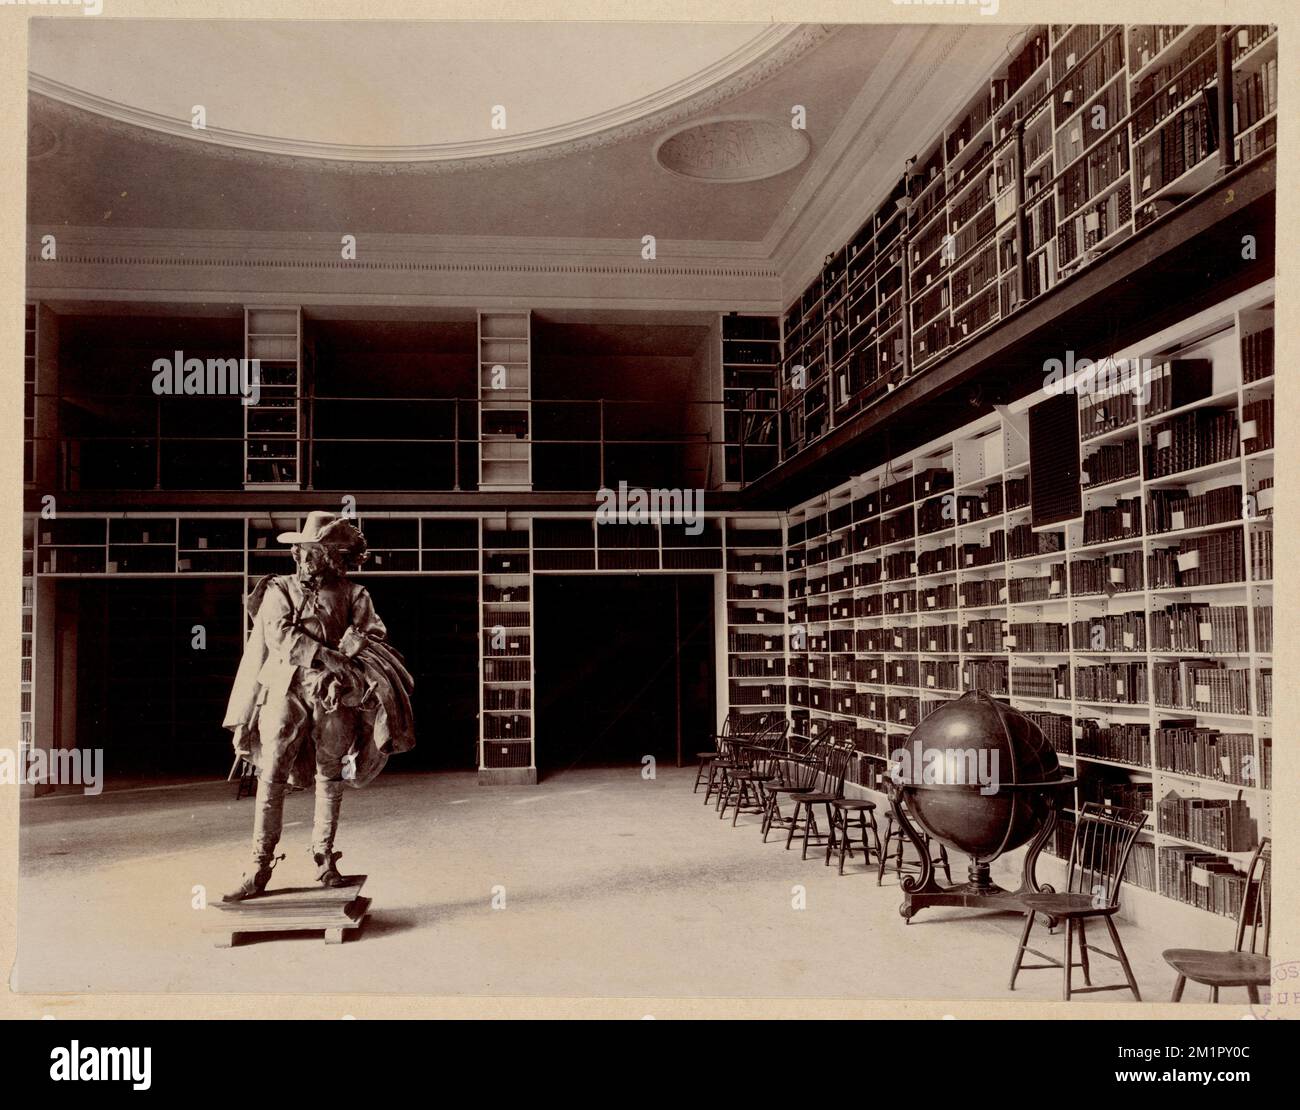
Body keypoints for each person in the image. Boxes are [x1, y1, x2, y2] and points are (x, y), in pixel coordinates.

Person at [221, 512, 391, 901]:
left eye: (313, 551)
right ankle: (259, 864)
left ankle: (324, 857)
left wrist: (352, 648)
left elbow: (374, 633)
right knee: (272, 771)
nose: (303, 557)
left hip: (335, 693)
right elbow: (279, 635)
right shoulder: (278, 589)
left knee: (329, 773)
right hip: (286, 688)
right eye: (301, 550)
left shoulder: (355, 594)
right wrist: (330, 657)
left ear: (332, 554)